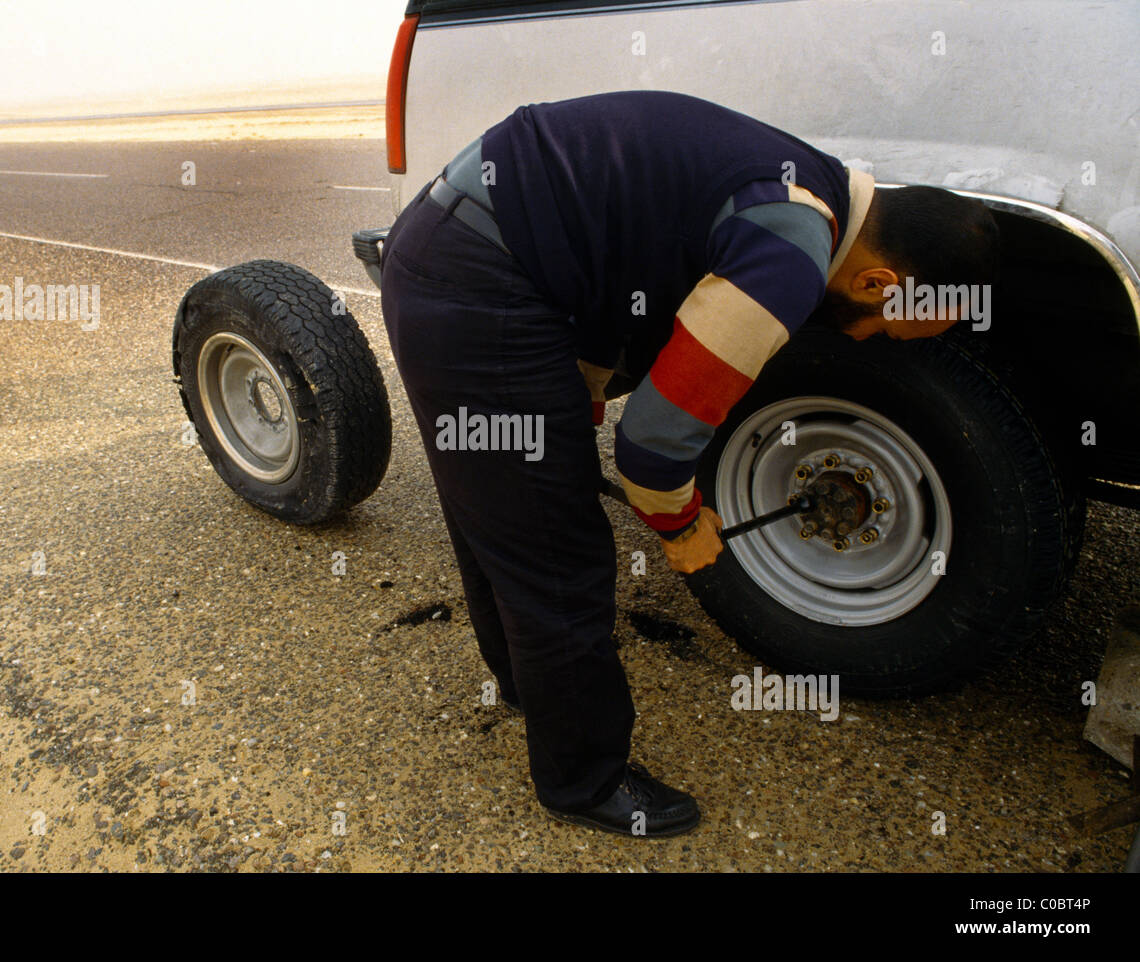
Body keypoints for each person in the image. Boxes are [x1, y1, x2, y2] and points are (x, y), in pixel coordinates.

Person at [379, 90, 998, 838]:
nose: (869, 340)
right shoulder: (791, 249)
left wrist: (583, 382)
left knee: (501, 504)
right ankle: (582, 779)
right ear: (877, 282)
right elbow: (651, 445)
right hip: (476, 282)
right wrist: (678, 524)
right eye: (886, 326)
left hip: (461, 247)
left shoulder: (811, 183)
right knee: (555, 551)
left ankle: (530, 686)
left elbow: (624, 242)